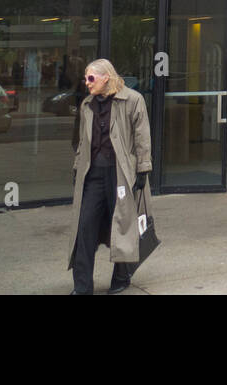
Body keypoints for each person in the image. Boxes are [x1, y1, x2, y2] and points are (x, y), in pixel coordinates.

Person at [66, 58, 151, 295]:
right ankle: (82, 286)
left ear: (106, 77)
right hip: (92, 174)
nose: (87, 82)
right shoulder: (86, 105)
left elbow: (142, 137)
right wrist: (77, 168)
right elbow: (83, 142)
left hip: (120, 173)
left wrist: (143, 169)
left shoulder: (133, 100)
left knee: (122, 224)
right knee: (84, 228)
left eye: (91, 78)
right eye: (85, 78)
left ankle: (122, 275)